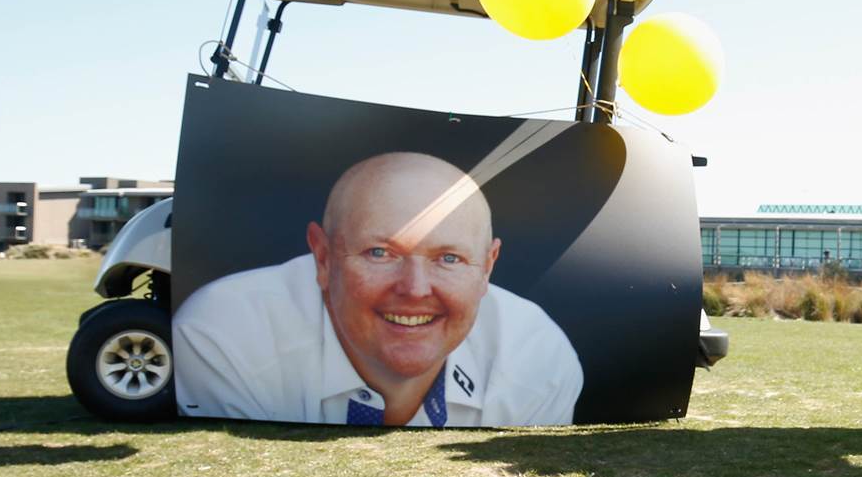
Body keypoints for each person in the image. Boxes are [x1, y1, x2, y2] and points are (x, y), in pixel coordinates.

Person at [173, 151, 582, 426]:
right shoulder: (226, 336)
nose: (415, 289)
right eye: (380, 253)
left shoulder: (538, 360)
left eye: (449, 258)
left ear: (487, 268)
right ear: (324, 258)